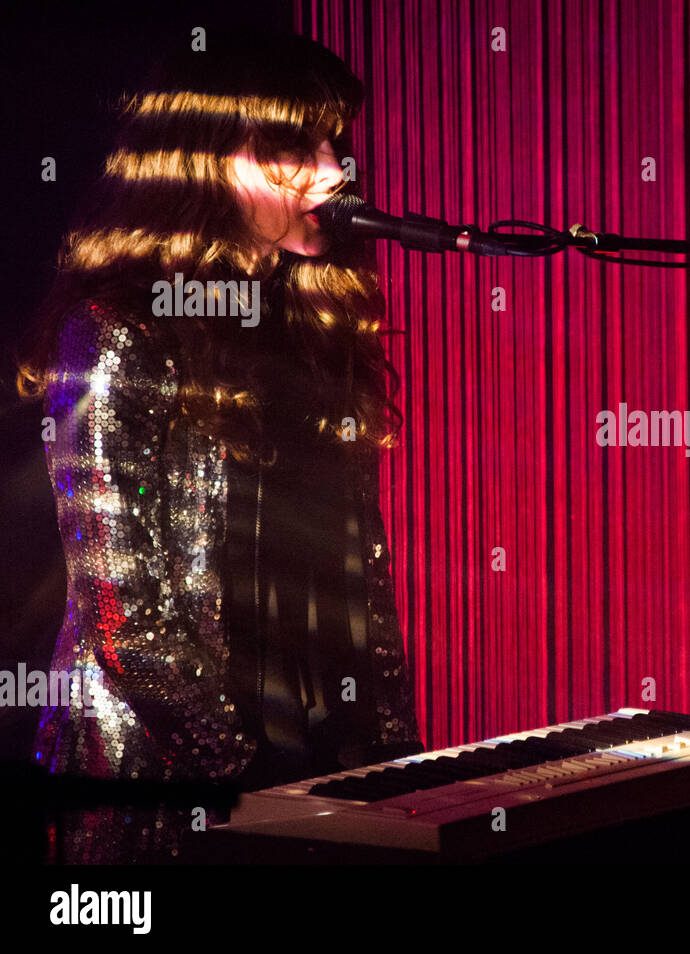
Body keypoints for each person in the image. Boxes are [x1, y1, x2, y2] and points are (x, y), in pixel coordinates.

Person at [16, 29, 423, 863]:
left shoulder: (313, 321)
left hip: (316, 763)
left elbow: (357, 581)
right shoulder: (115, 334)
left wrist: (390, 769)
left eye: (332, 142)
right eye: (288, 146)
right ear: (199, 163)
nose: (333, 170)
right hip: (172, 787)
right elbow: (124, 617)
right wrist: (246, 785)